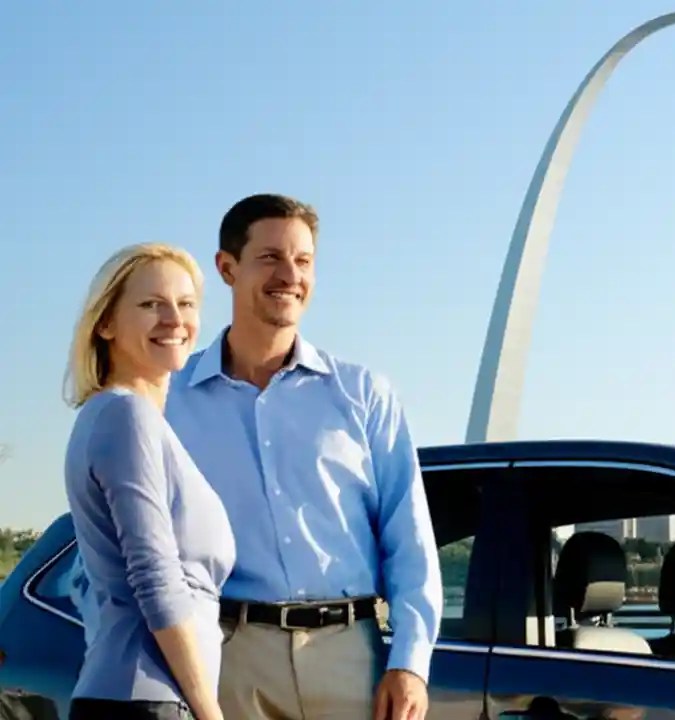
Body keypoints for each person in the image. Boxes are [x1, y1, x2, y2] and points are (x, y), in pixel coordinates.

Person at [166, 194, 442, 720]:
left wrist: (409, 663)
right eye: (270, 257)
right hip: (229, 660)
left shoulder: (364, 394)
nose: (289, 274)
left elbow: (409, 540)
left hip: (350, 659)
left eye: (303, 260)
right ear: (227, 267)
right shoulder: (171, 401)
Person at [62, 243, 234, 720]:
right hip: (148, 700)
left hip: (136, 694)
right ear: (107, 323)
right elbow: (155, 578)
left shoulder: (114, 416)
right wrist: (208, 710)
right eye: (150, 304)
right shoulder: (125, 415)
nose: (173, 318)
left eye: (185, 303)